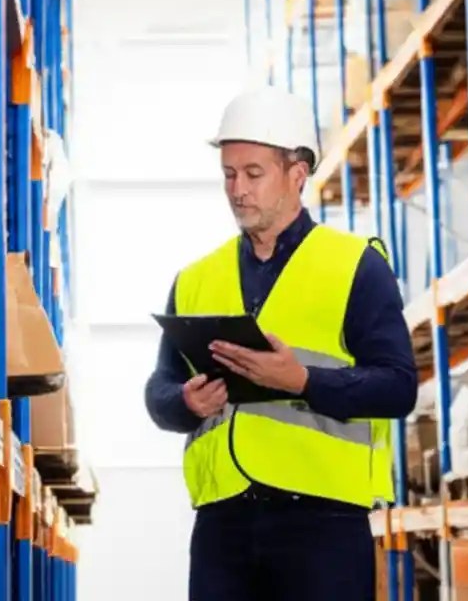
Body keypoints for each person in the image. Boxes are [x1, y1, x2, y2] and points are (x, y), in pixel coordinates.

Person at [144, 85, 418, 601]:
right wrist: (183, 403)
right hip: (223, 525)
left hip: (323, 523)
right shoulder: (196, 279)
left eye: (253, 174)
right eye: (228, 174)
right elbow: (160, 386)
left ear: (298, 174)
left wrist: (303, 381)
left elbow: (399, 386)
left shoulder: (355, 265)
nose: (237, 190)